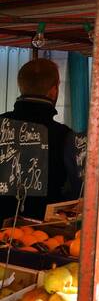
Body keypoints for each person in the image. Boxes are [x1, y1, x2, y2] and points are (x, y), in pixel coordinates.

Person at [0, 58, 81, 221]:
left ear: (20, 86)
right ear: (53, 90)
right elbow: (76, 190)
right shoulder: (65, 136)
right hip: (41, 234)